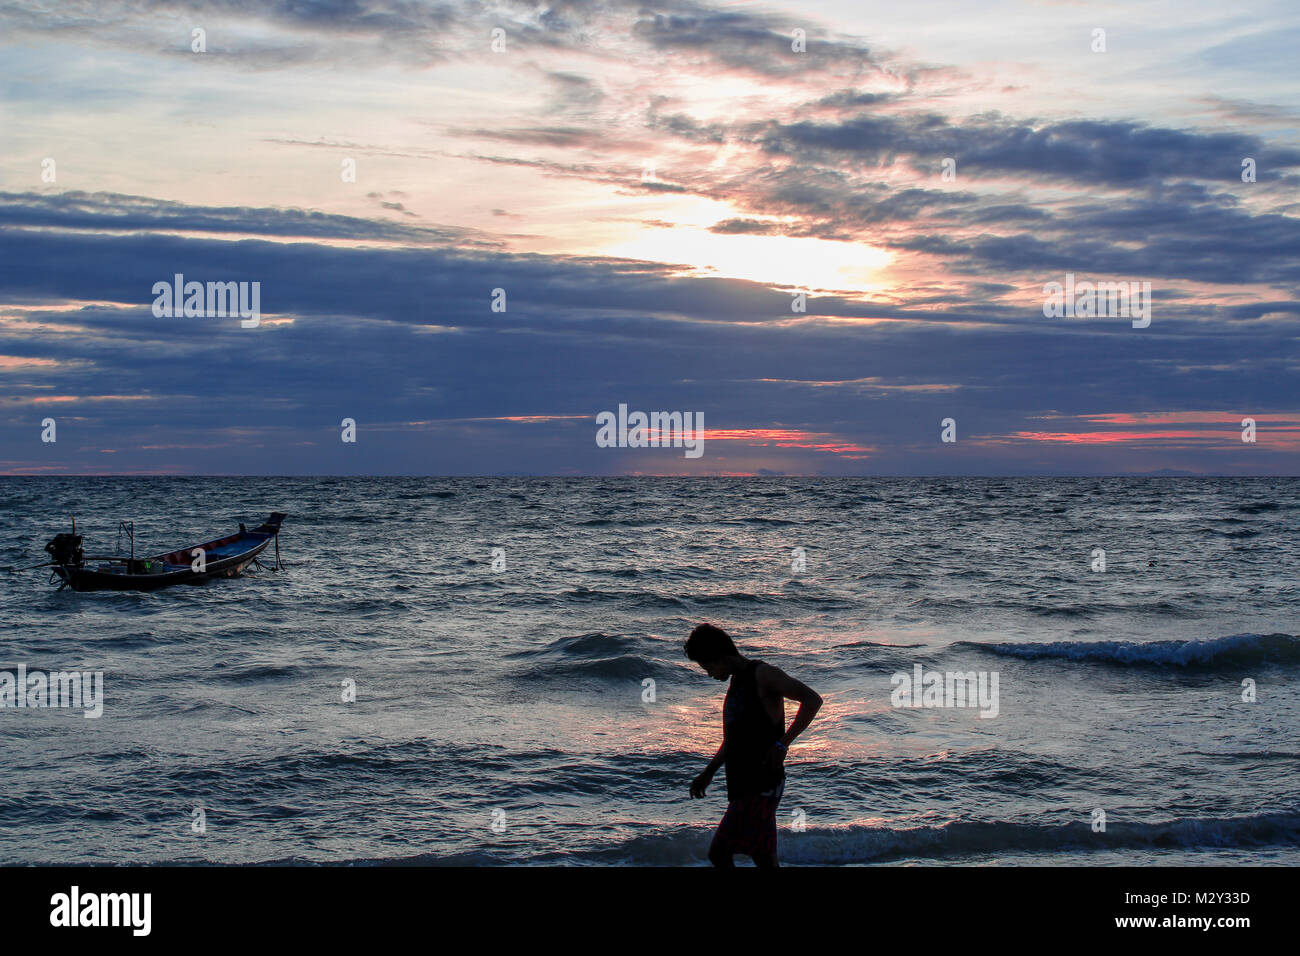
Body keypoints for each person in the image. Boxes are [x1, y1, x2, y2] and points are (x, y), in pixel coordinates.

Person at [685, 622, 823, 867]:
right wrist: (709, 772)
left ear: (722, 656)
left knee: (720, 853)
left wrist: (783, 744)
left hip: (761, 783)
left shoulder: (763, 674)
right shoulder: (736, 682)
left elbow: (812, 700)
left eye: (708, 666)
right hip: (743, 782)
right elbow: (733, 740)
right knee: (762, 856)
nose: (709, 674)